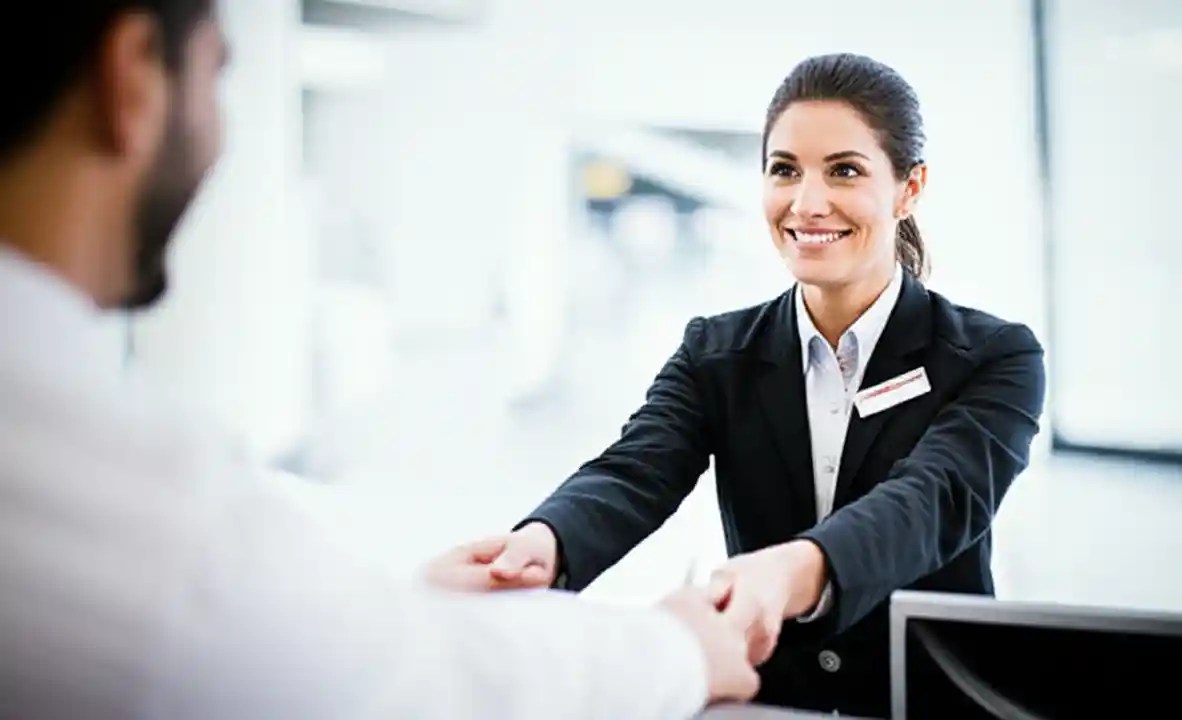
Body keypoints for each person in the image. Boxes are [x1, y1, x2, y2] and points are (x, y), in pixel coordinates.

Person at [0, 2, 760, 718]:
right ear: (131, 78)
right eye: (217, 74)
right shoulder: (114, 479)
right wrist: (680, 647)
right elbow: (398, 680)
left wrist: (389, 609)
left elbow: (266, 633)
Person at [443, 53, 1047, 717]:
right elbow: (635, 471)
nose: (806, 202)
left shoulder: (993, 356)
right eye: (784, 170)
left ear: (909, 189)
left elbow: (930, 500)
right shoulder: (716, 352)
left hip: (929, 698)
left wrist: (798, 569)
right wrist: (546, 545)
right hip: (769, 702)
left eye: (844, 170)